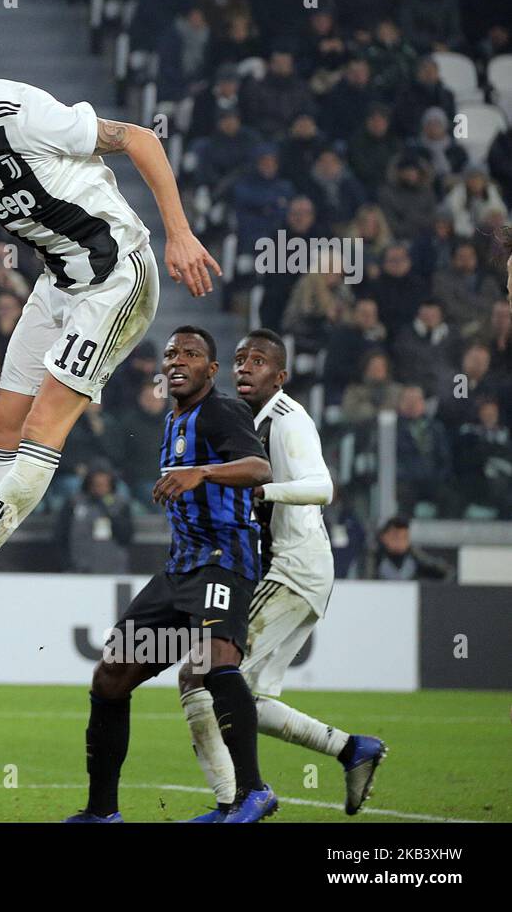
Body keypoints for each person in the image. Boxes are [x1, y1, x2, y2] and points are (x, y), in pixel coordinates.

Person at [0, 57, 219, 621]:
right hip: (57, 281)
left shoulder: (15, 112)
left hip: (114, 279)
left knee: (42, 424)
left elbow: (136, 139)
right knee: (0, 425)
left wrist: (179, 234)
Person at [68, 327, 275, 823]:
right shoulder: (174, 419)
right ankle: (102, 813)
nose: (177, 361)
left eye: (191, 353)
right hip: (182, 565)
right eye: (170, 354)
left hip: (224, 558)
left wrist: (200, 473)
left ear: (211, 369)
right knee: (112, 675)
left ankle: (253, 792)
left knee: (218, 661)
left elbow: (259, 468)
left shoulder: (223, 411)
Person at [179, 329, 387, 821]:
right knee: (246, 694)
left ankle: (234, 801)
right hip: (295, 570)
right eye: (239, 359)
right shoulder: (250, 422)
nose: (245, 368)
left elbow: (322, 487)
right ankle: (352, 748)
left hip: (295, 567)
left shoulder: (288, 421)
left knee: (200, 673)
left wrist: (265, 494)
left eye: (258, 361)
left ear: (281, 375)